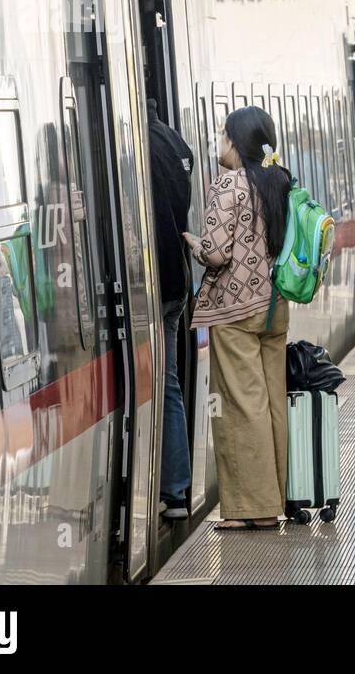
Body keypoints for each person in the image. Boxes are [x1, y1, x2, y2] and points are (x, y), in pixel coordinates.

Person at [184, 106, 294, 530]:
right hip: (274, 308)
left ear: (236, 142)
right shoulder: (278, 178)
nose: (217, 143)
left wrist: (192, 241)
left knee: (240, 408)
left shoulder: (228, 184)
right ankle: (278, 495)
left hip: (235, 312)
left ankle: (254, 508)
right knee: (271, 404)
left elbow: (215, 252)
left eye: (222, 135)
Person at [147, 99, 195, 520]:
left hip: (151, 286)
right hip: (177, 280)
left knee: (160, 384)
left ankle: (169, 486)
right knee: (169, 383)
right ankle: (175, 490)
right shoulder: (177, 142)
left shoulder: (135, 144)